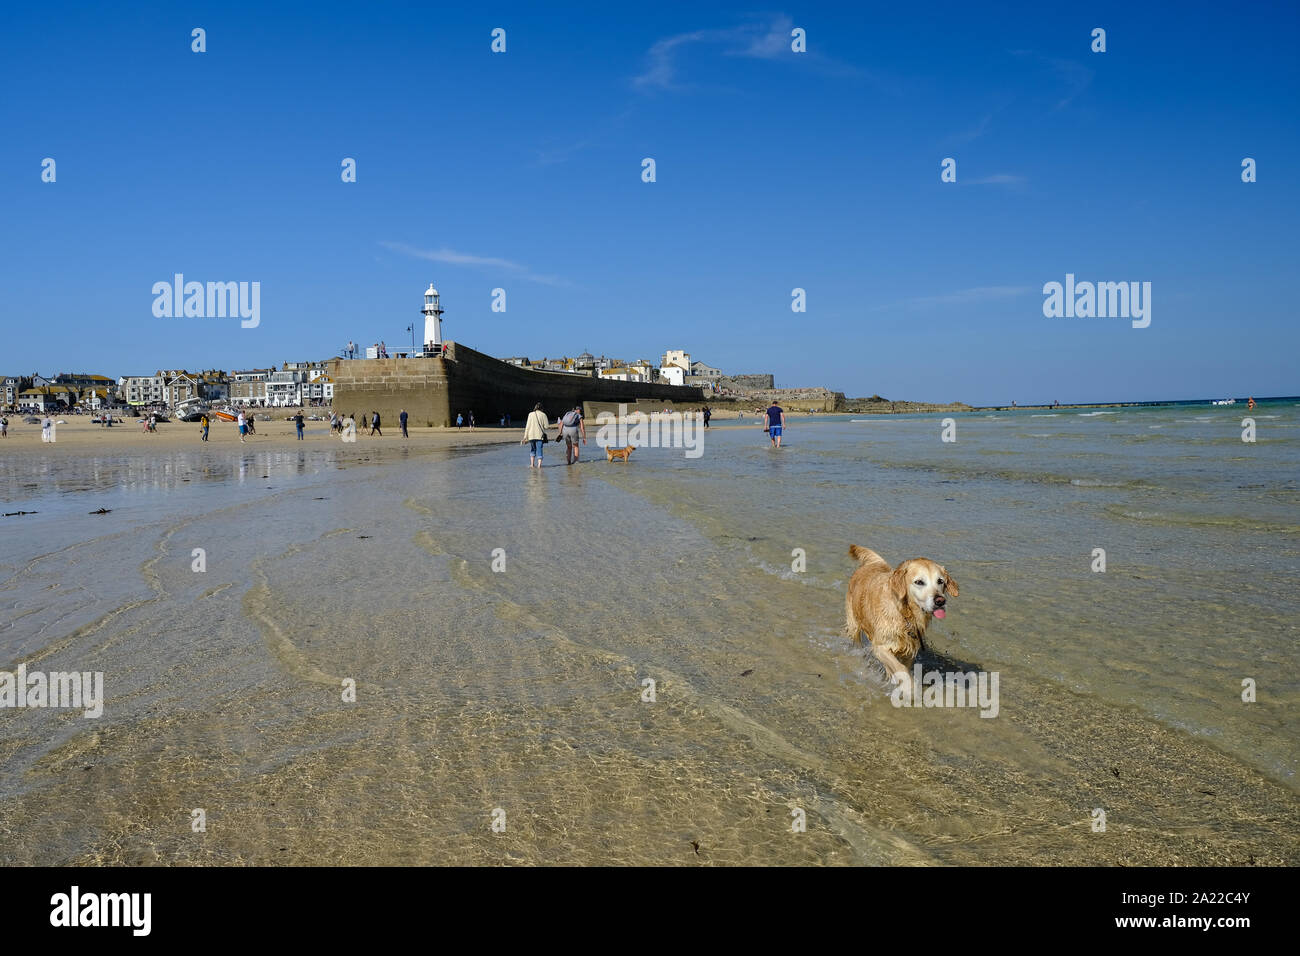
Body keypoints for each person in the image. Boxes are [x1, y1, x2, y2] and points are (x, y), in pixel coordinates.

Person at [522, 402, 549, 468]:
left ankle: (532, 464)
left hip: (531, 435)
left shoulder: (530, 414)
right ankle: (539, 466)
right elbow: (546, 426)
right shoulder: (543, 415)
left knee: (532, 449)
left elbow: (527, 426)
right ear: (542, 408)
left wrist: (525, 437)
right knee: (539, 449)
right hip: (540, 436)